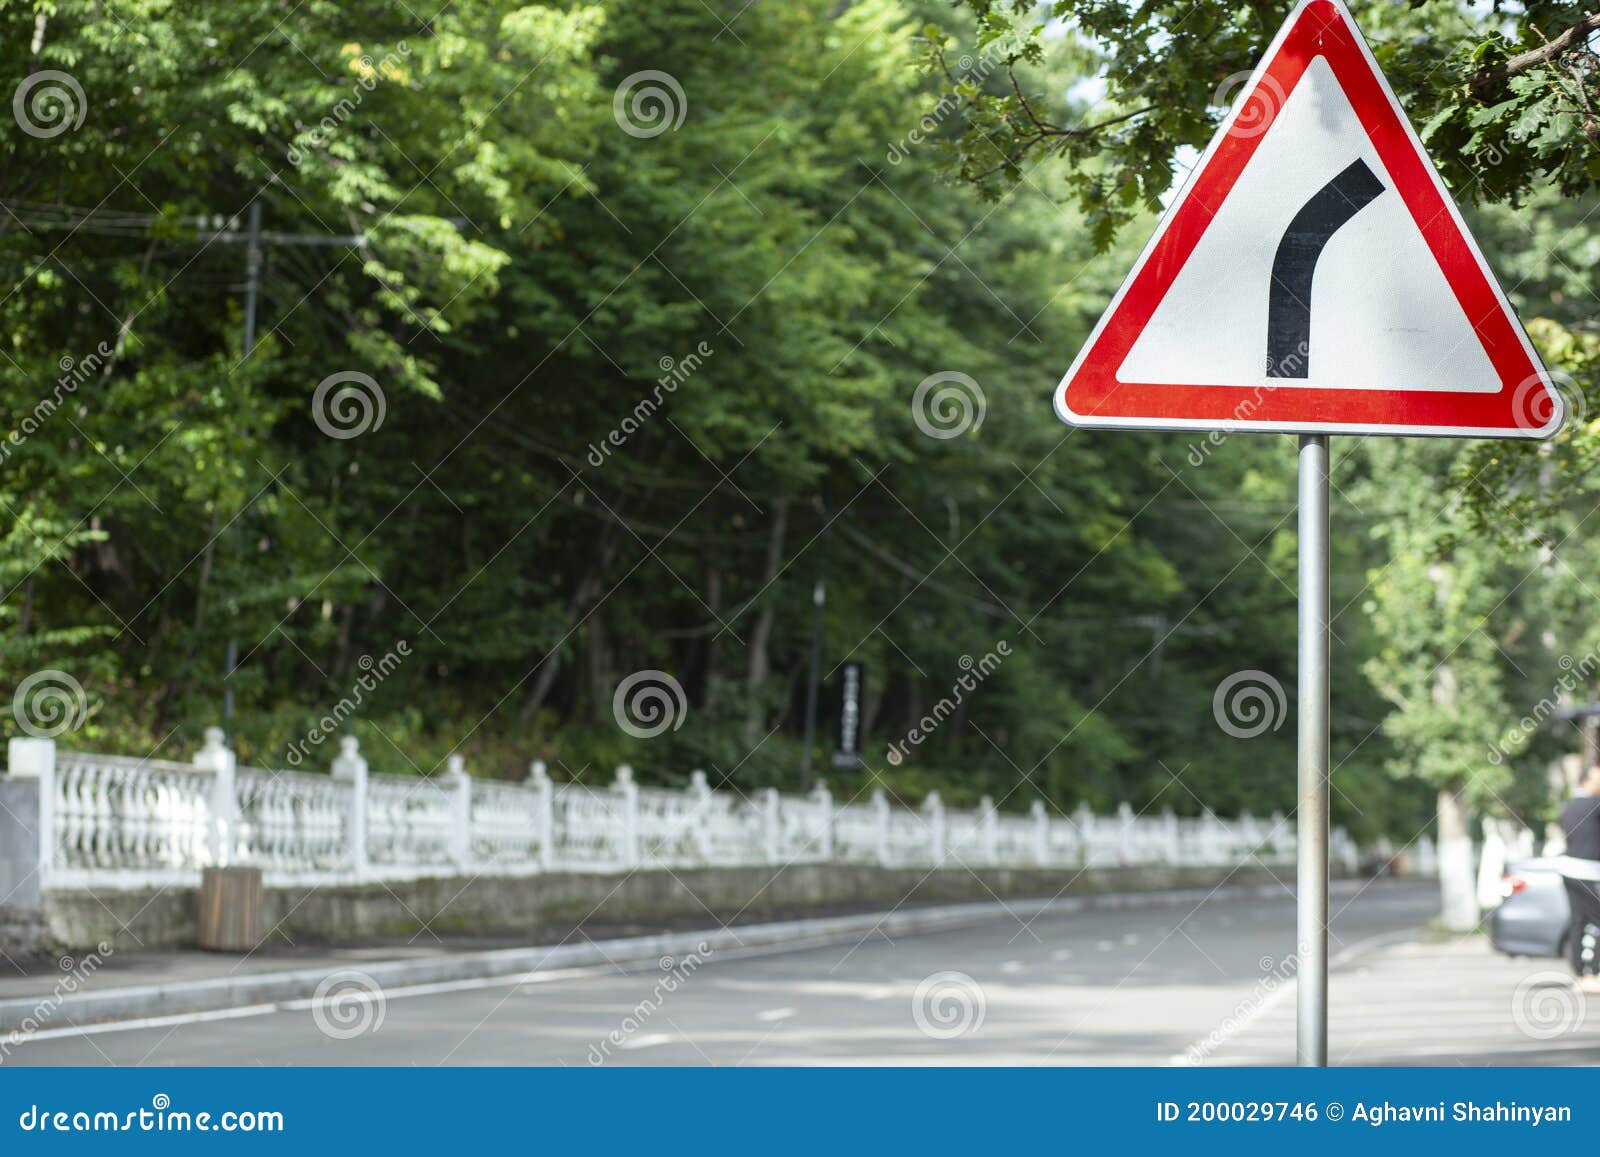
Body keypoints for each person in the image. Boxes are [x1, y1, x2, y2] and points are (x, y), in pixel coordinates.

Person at [1557, 764, 1600, 993]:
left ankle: (1581, 973)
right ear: (1585, 781)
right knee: (1595, 920)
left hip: (1569, 870)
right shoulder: (1594, 804)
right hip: (1587, 872)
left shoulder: (1569, 806)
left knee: (1578, 921)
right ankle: (1590, 973)